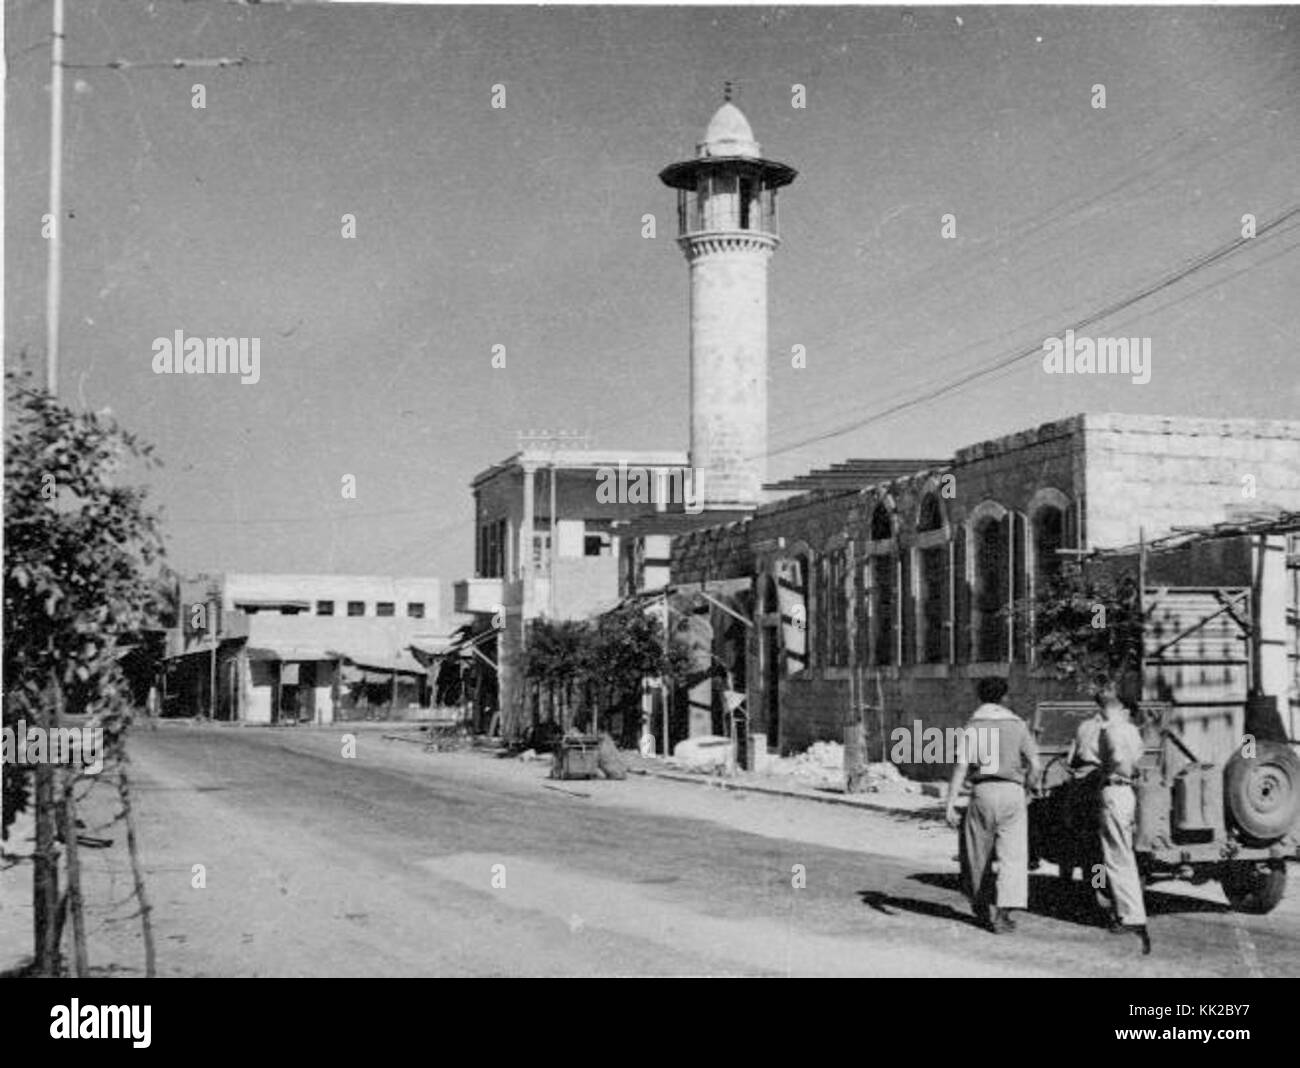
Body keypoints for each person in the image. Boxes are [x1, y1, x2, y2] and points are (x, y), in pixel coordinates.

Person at [946, 677, 1040, 933]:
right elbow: (1035, 764)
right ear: (1005, 697)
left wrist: (950, 802)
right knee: (1014, 855)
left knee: (977, 853)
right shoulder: (1018, 725)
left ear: (979, 697)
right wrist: (1029, 787)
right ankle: (1005, 912)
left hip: (983, 791)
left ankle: (981, 903)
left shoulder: (974, 725)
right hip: (1013, 792)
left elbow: (961, 767)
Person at [1069, 673, 1151, 955]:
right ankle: (1123, 906)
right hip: (1127, 792)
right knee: (1117, 851)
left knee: (1096, 851)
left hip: (1099, 788)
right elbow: (1139, 758)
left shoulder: (1093, 727)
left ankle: (1110, 902)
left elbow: (1075, 759)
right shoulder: (1131, 728)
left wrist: (1111, 768)